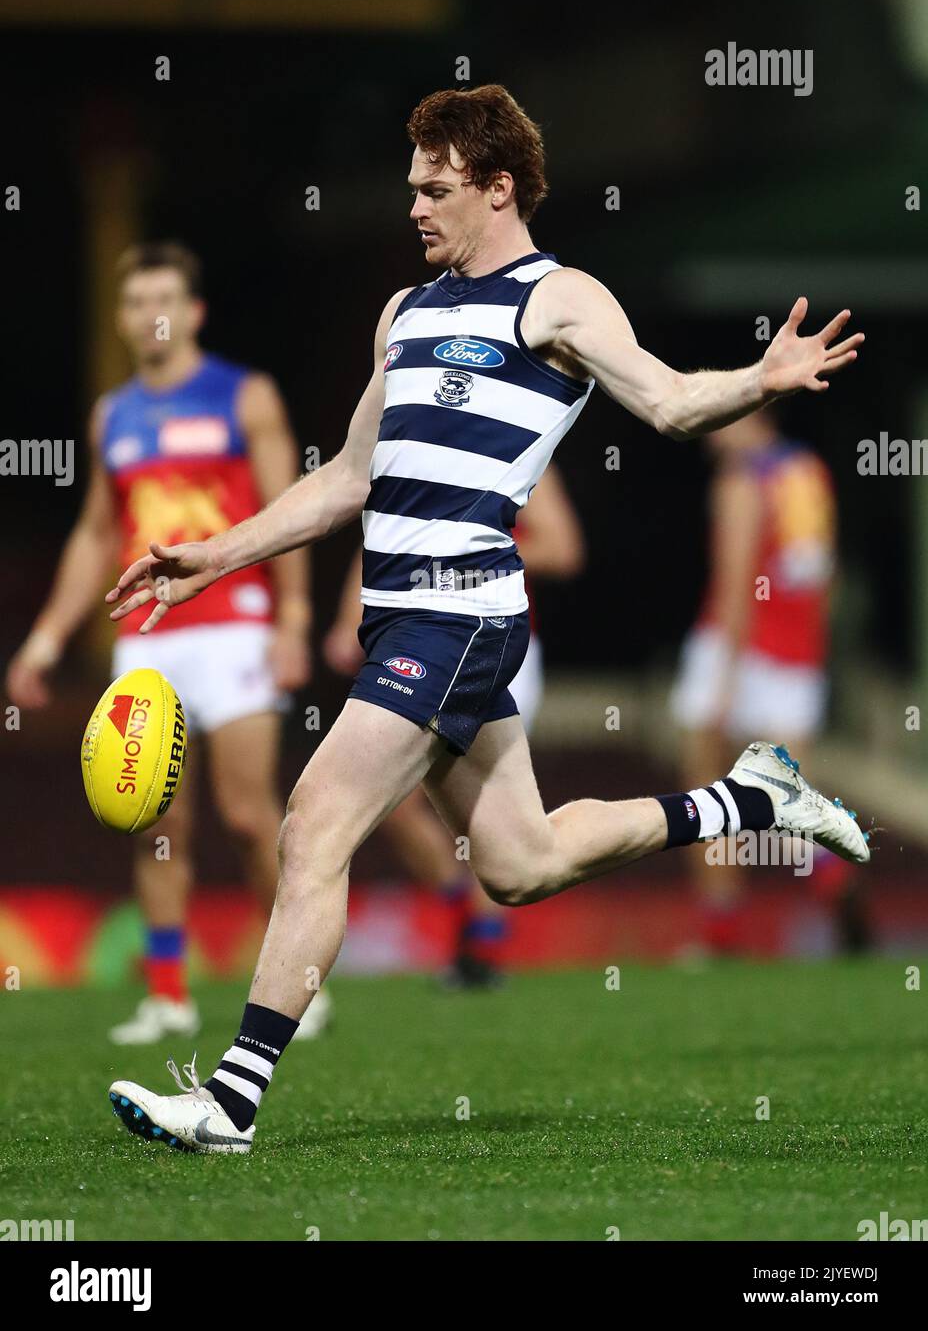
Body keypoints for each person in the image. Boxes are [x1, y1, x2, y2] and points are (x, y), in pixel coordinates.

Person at [103, 85, 868, 1153]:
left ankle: (229, 1101)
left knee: (312, 820)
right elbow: (349, 479)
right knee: (520, 863)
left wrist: (760, 376)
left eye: (434, 186)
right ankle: (746, 796)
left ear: (496, 187)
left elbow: (667, 399)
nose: (413, 205)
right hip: (400, 621)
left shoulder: (558, 298)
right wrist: (211, 554)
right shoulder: (405, 313)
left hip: (461, 616)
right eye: (413, 185)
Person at [6, 241, 327, 1044]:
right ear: (121, 317)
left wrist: (293, 621)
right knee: (155, 821)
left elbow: (294, 511)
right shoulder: (113, 415)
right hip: (147, 641)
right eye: (134, 300)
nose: (150, 313)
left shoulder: (244, 397)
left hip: (238, 627)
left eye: (164, 298)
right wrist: (44, 639)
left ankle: (294, 984)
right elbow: (95, 534)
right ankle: (167, 994)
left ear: (192, 312)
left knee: (252, 815)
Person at [322, 462, 586, 986]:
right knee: (393, 805)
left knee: (486, 812)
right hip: (417, 641)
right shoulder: (409, 443)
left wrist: (464, 564)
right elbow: (384, 536)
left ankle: (482, 940)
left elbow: (562, 548)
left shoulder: (522, 445)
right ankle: (473, 919)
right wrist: (345, 618)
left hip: (491, 644)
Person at [671, 410, 869, 954]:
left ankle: (720, 930)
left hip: (739, 648)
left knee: (703, 787)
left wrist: (725, 680)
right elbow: (822, 574)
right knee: (788, 797)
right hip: (797, 653)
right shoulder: (806, 471)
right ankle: (833, 873)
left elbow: (737, 580)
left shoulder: (741, 477)